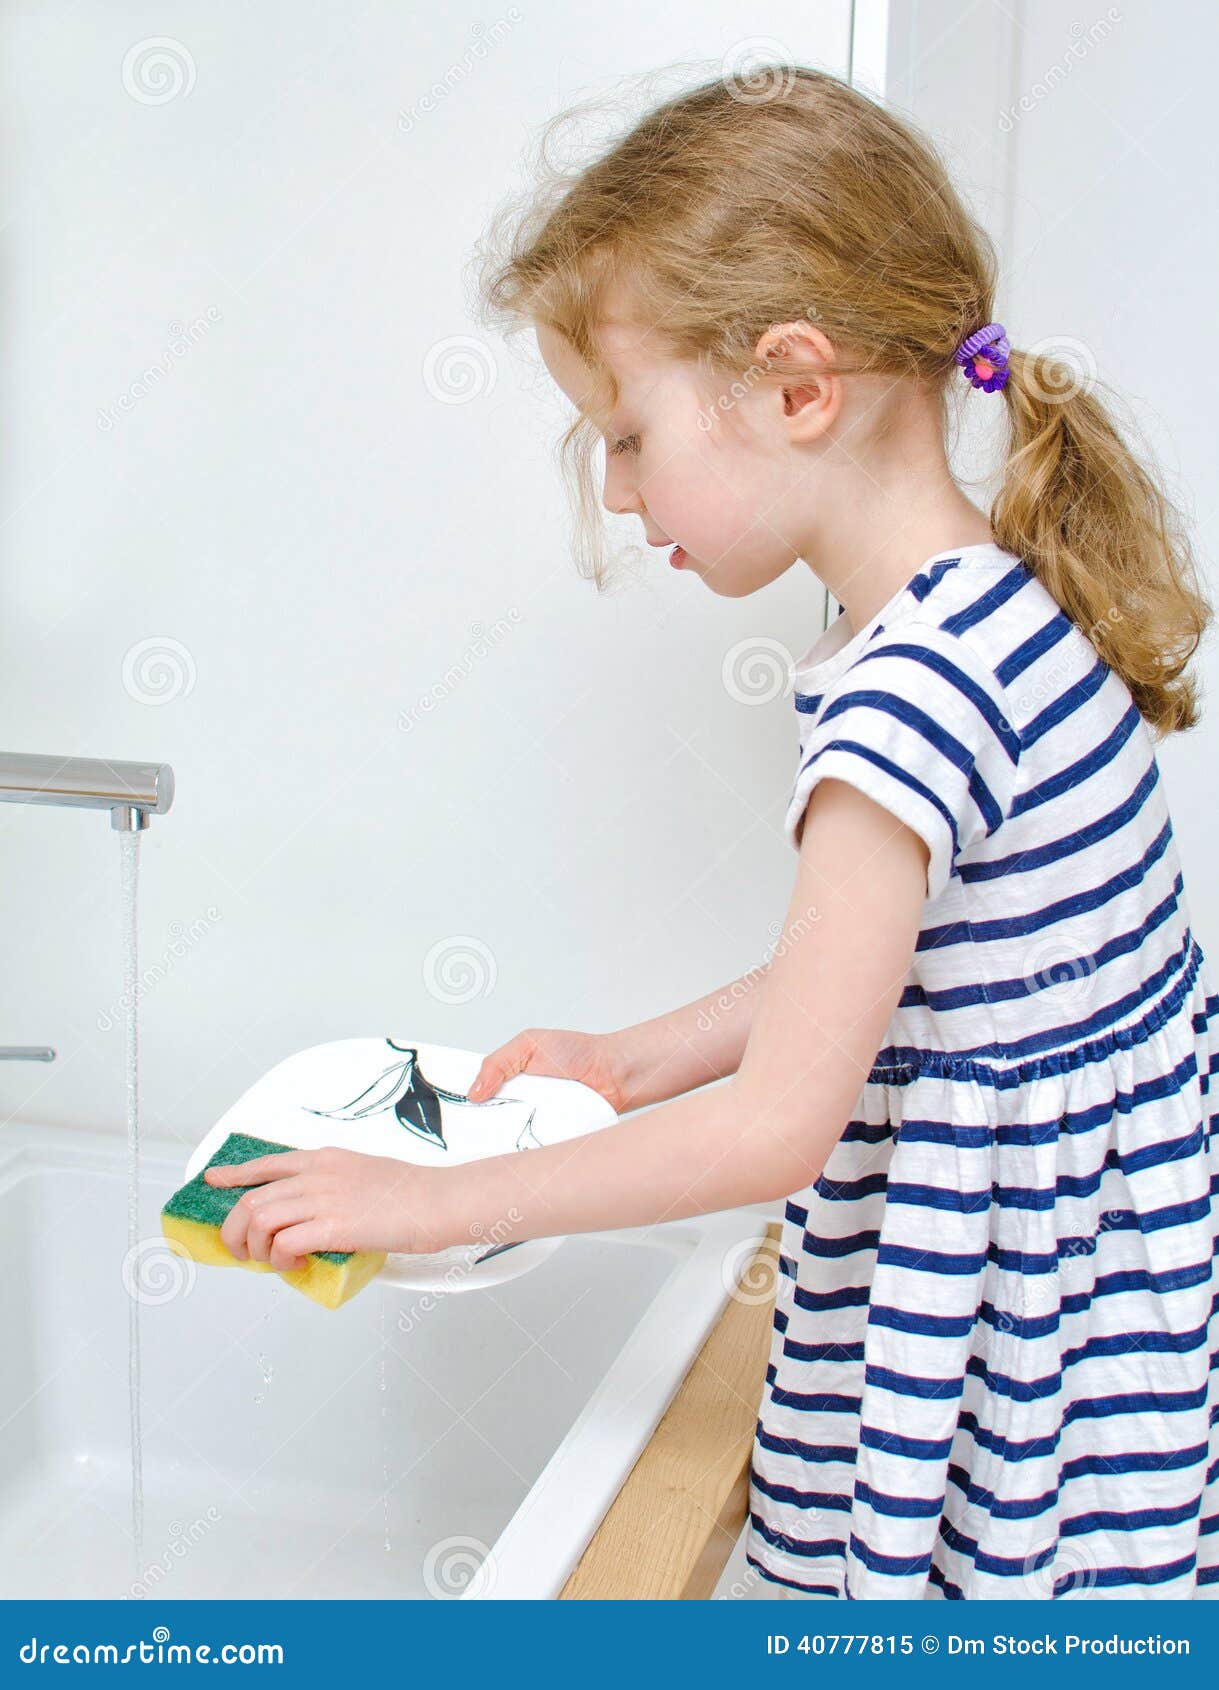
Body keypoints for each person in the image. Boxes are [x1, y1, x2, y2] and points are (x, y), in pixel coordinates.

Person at [204, 65, 1219, 1598]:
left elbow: (779, 1126)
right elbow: (935, 979)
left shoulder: (907, 706)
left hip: (1023, 1363)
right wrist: (632, 1059)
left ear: (799, 386)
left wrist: (433, 1201)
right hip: (1110, 1323)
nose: (616, 495)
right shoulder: (1007, 604)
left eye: (626, 435)